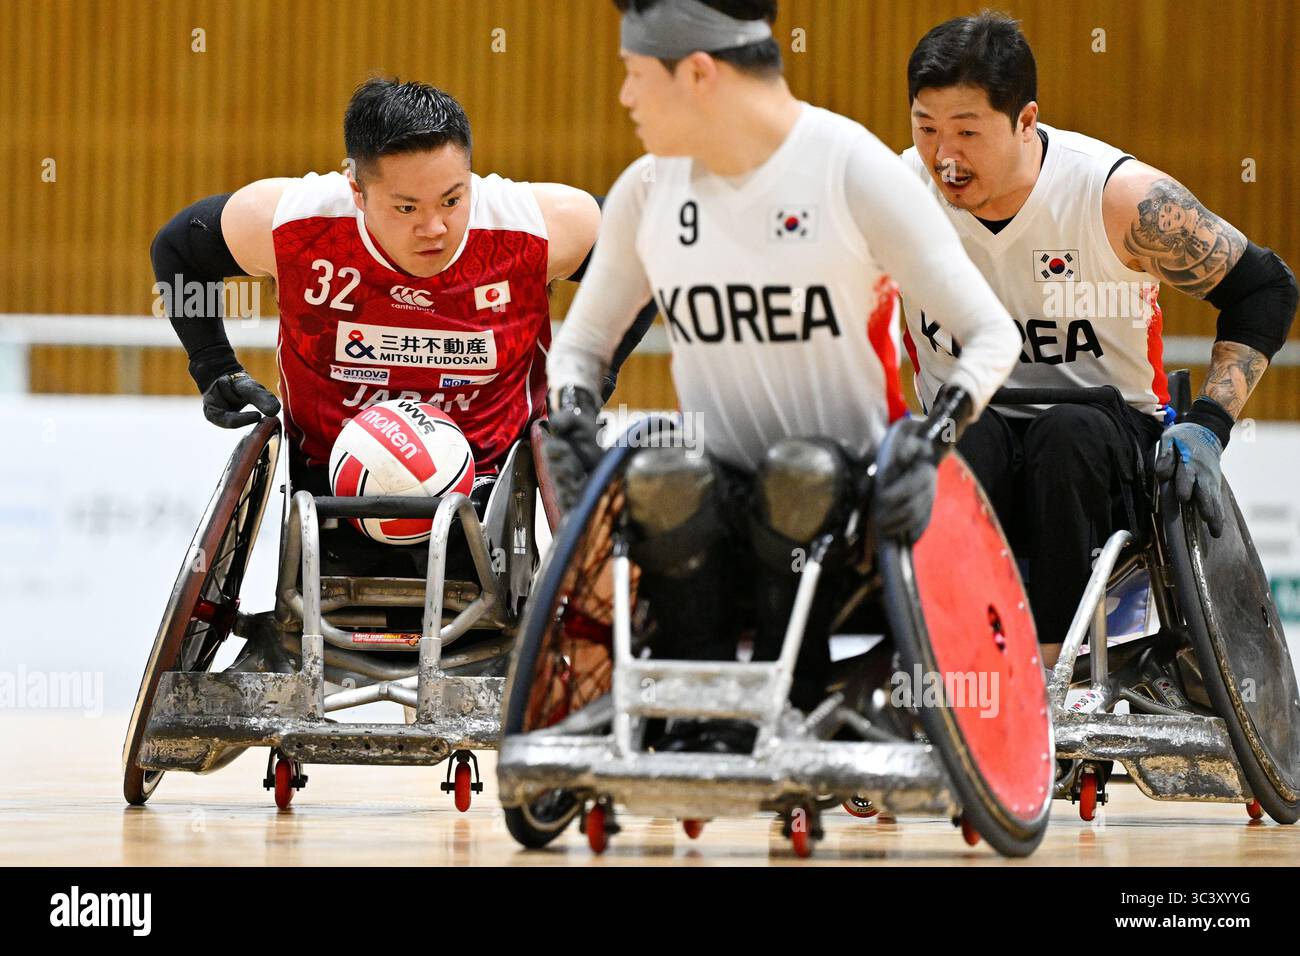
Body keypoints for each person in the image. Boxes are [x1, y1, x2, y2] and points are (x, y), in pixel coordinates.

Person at [545, 0, 1022, 749]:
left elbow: (992, 332)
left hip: (851, 501)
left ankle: (792, 690)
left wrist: (929, 444)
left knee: (798, 473)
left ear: (698, 74)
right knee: (665, 469)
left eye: (636, 76)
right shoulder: (647, 189)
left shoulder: (849, 166)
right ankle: (699, 709)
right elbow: (580, 348)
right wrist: (571, 414)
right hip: (715, 492)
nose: (626, 97)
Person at [899, 12, 1297, 675]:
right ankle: (958, 662)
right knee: (958, 439)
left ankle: (1048, 678)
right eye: (926, 129)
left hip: (1103, 444)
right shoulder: (898, 193)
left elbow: (1266, 289)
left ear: (1026, 122)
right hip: (969, 428)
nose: (945, 155)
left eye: (967, 132)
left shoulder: (1117, 197)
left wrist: (1209, 425)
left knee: (1066, 434)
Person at [152, 77, 650, 577]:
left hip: (487, 484)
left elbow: (648, 259)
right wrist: (212, 365)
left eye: (452, 201)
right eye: (407, 207)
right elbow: (175, 248)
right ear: (357, 189)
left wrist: (591, 378)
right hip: (330, 482)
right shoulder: (293, 222)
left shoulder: (533, 226)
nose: (433, 226)